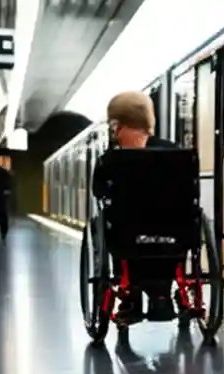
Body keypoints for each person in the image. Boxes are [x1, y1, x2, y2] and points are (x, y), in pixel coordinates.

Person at [92, 91, 177, 324]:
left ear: (119, 126)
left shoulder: (110, 161)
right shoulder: (176, 153)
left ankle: (132, 297)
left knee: (116, 227)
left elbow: (99, 193)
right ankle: (162, 297)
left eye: (115, 126)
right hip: (173, 236)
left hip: (129, 238)